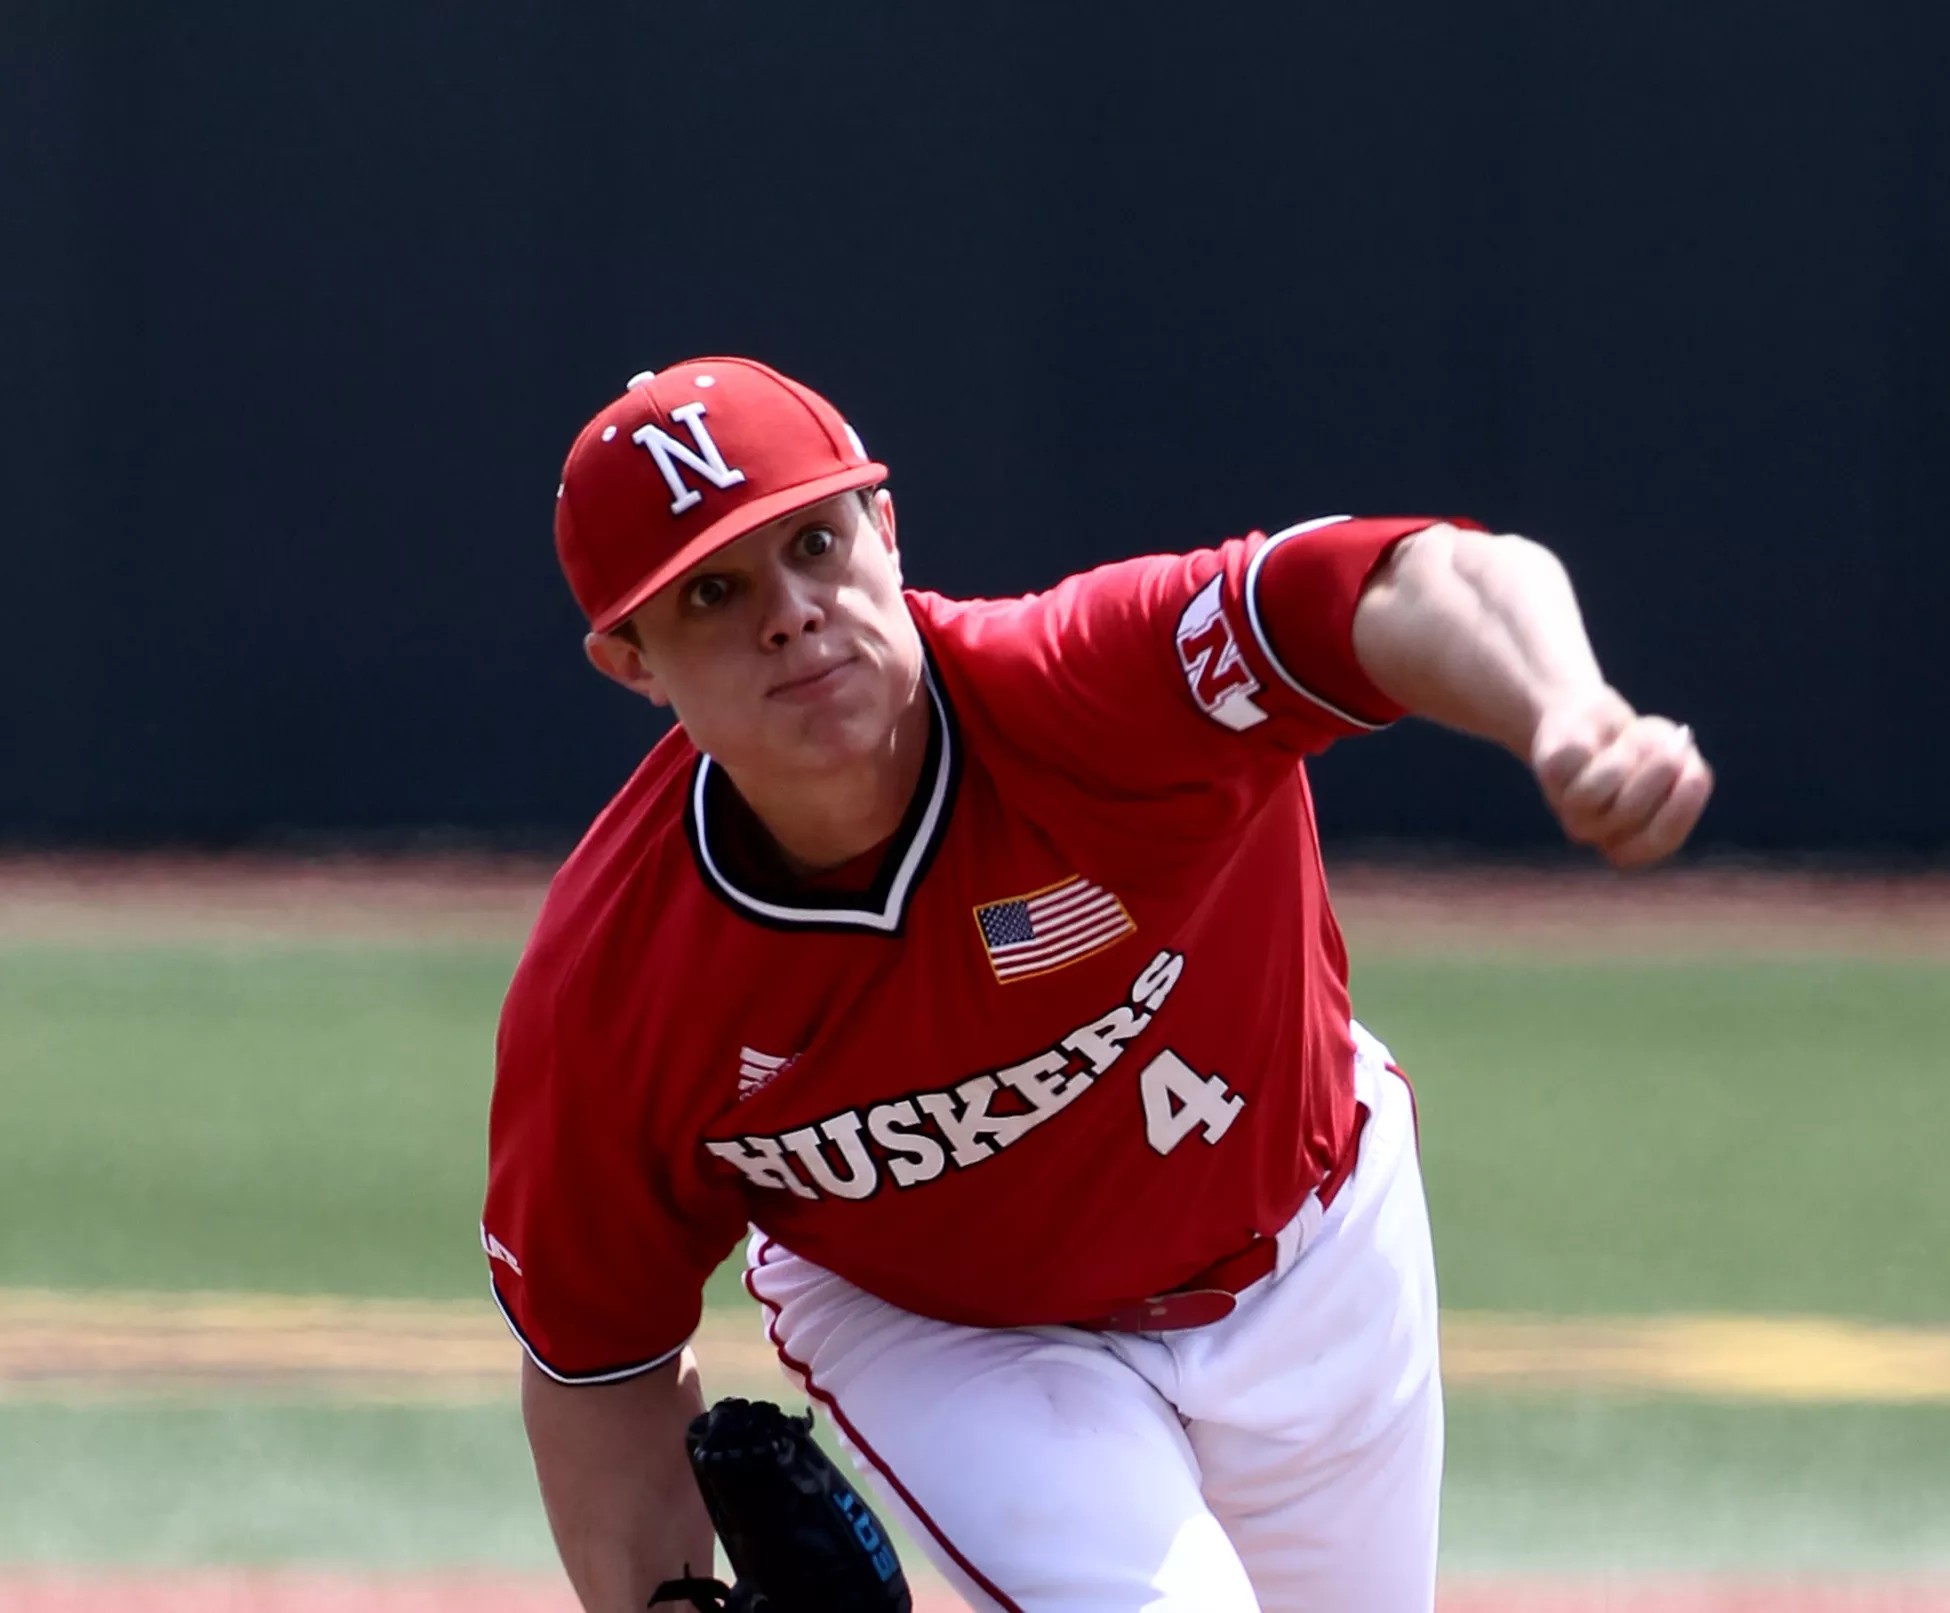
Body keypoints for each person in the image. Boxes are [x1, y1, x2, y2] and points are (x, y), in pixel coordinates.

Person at [484, 355, 1713, 1613]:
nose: (790, 610)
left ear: (886, 531)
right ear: (629, 660)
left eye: (813, 539)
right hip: (956, 1333)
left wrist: (1566, 710)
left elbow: (1407, 576)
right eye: (711, 593)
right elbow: (598, 1361)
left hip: (1319, 1238)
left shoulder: (1094, 689)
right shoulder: (610, 984)